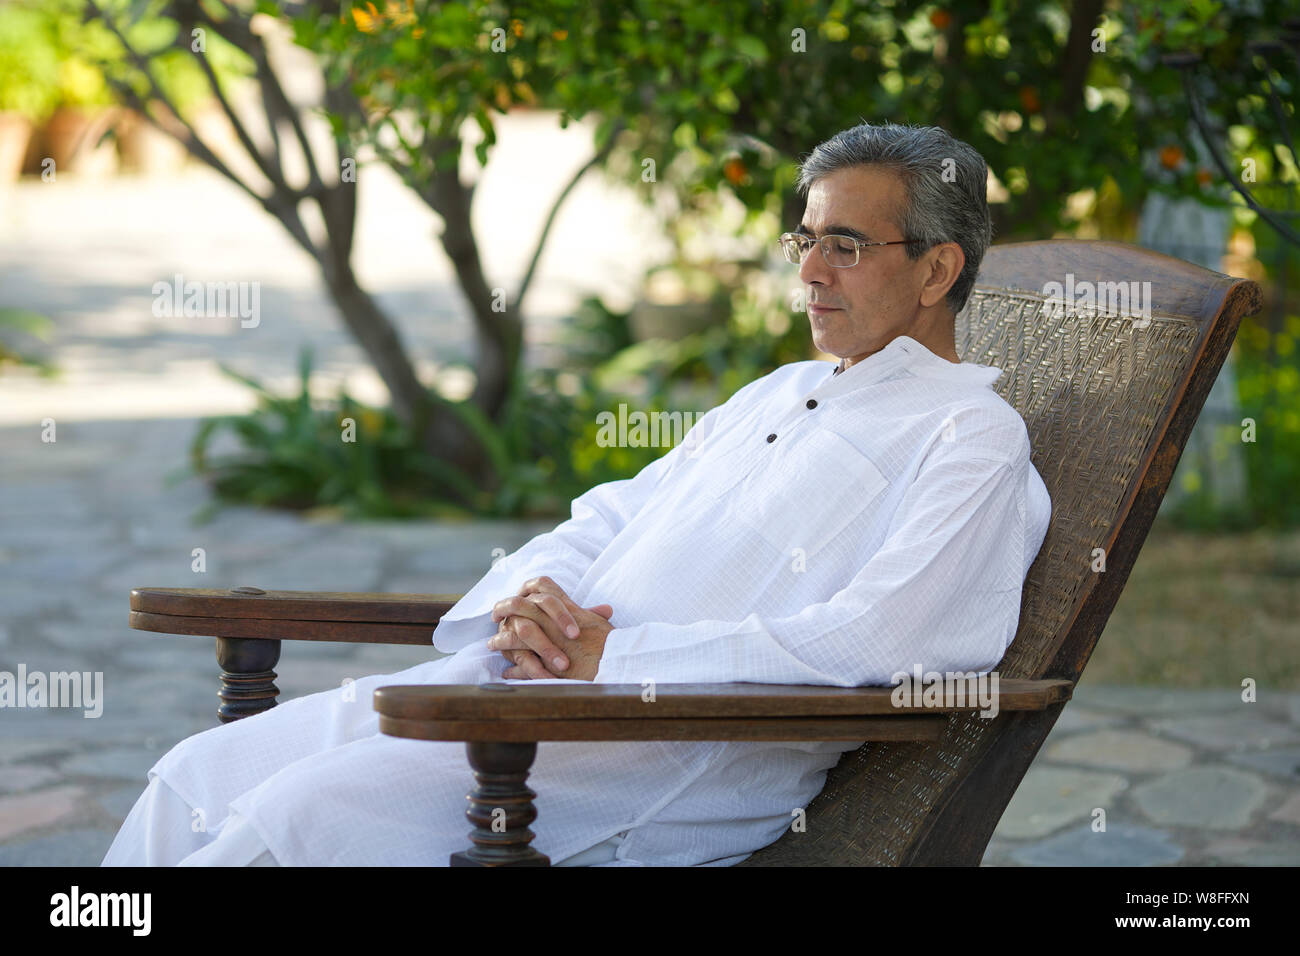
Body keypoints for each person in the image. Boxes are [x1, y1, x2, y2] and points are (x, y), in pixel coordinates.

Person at [102, 121, 1051, 867]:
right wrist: (531, 605)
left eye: (845, 245)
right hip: (519, 697)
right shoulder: (779, 392)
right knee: (199, 774)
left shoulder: (970, 436)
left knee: (295, 822)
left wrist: (618, 657)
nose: (808, 271)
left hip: (657, 751)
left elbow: (893, 638)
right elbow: (611, 513)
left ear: (936, 268)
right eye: (805, 239)